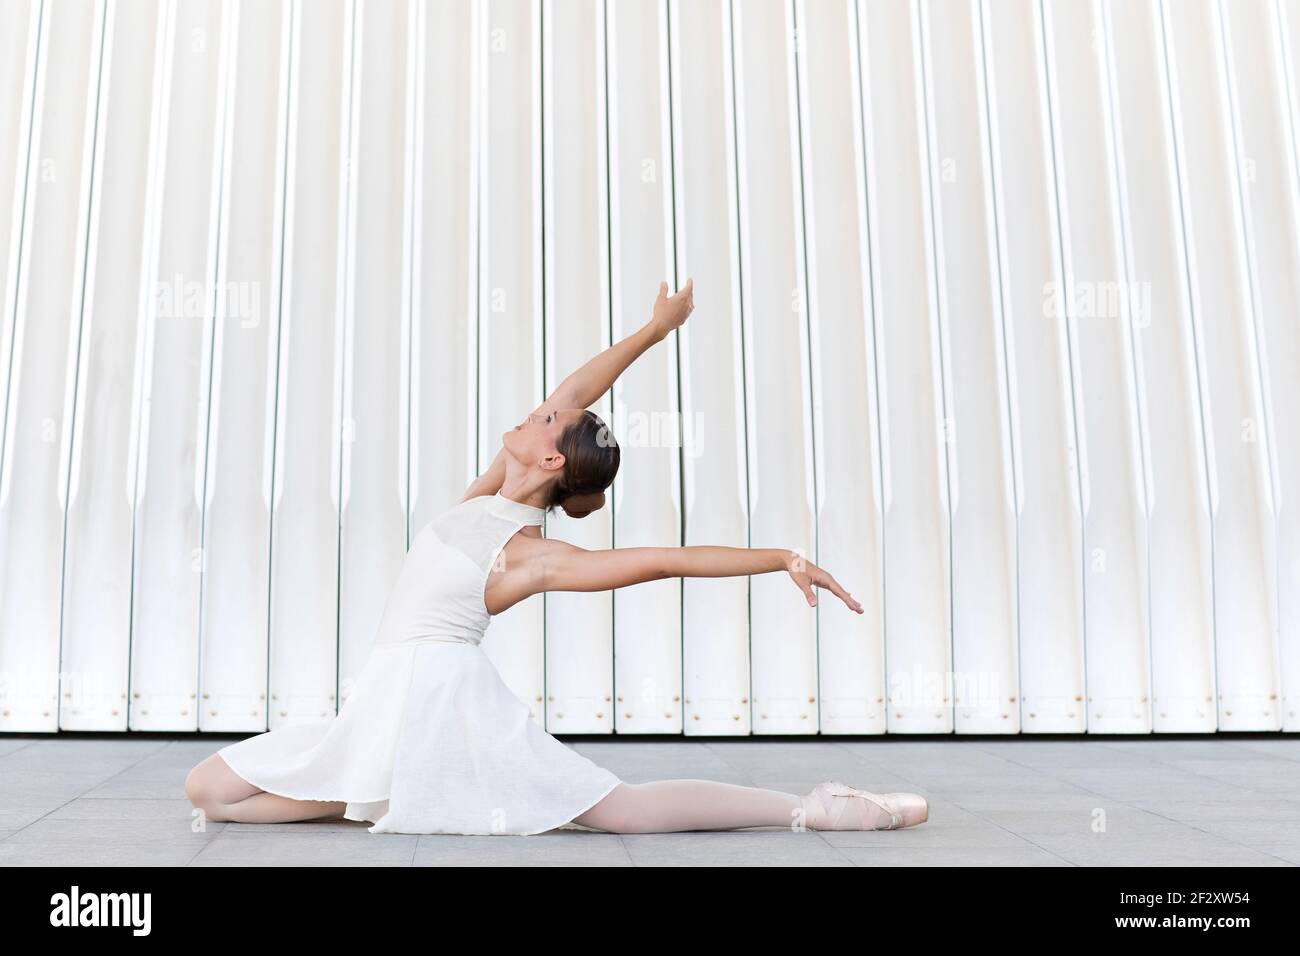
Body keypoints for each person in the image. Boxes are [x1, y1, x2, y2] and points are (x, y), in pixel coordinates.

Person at [185, 279, 929, 835]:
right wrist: (653, 331)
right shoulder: (487, 499)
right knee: (212, 790)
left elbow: (663, 560)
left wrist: (780, 557)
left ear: (547, 455)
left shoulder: (526, 556)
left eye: (547, 416)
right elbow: (577, 389)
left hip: (442, 703)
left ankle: (816, 808)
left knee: (619, 811)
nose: (540, 403)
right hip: (386, 700)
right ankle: (393, 788)